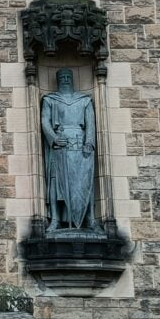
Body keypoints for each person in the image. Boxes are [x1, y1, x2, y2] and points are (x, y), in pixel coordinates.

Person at [41, 67, 96, 233]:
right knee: (55, 182)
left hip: (80, 147)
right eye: (62, 77)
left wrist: (89, 142)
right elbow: (45, 121)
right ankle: (55, 220)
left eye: (67, 76)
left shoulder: (84, 100)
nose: (65, 79)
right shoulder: (50, 99)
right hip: (60, 146)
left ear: (72, 79)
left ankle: (90, 219)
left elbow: (90, 124)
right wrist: (54, 138)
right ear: (58, 80)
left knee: (85, 182)